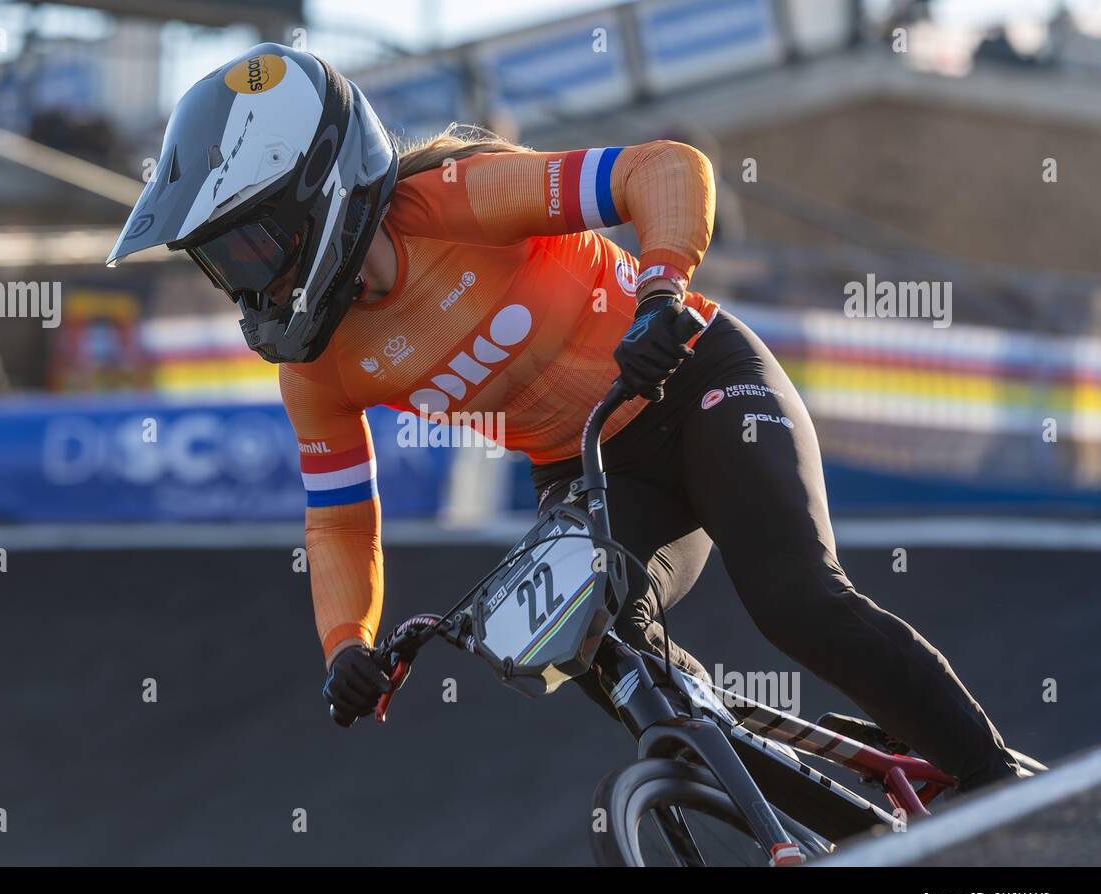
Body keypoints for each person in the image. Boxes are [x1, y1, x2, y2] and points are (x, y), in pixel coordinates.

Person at [108, 43, 1023, 793]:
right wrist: (347, 642)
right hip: (591, 472)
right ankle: (802, 813)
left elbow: (666, 169)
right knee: (588, 653)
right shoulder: (313, 368)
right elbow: (340, 519)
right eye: (220, 264)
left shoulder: (461, 197)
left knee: (796, 603)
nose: (243, 284)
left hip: (696, 380)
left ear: (317, 198)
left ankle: (1004, 795)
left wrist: (661, 291)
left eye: (248, 246)